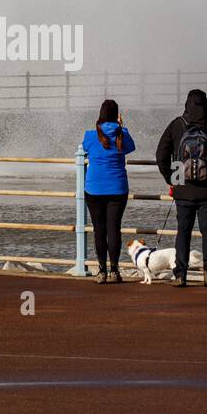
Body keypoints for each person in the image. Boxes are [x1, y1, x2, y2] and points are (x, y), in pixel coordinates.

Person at [156, 89, 207, 288]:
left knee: (183, 232)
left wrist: (173, 178)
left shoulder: (177, 125)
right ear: (206, 105)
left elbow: (161, 154)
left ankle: (180, 275)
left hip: (183, 189)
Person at [80, 99, 136, 284]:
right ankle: (115, 271)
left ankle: (101, 271)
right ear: (116, 115)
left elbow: (87, 148)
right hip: (117, 189)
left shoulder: (90, 135)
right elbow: (130, 148)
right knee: (114, 229)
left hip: (94, 189)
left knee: (99, 230)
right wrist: (121, 126)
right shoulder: (122, 134)